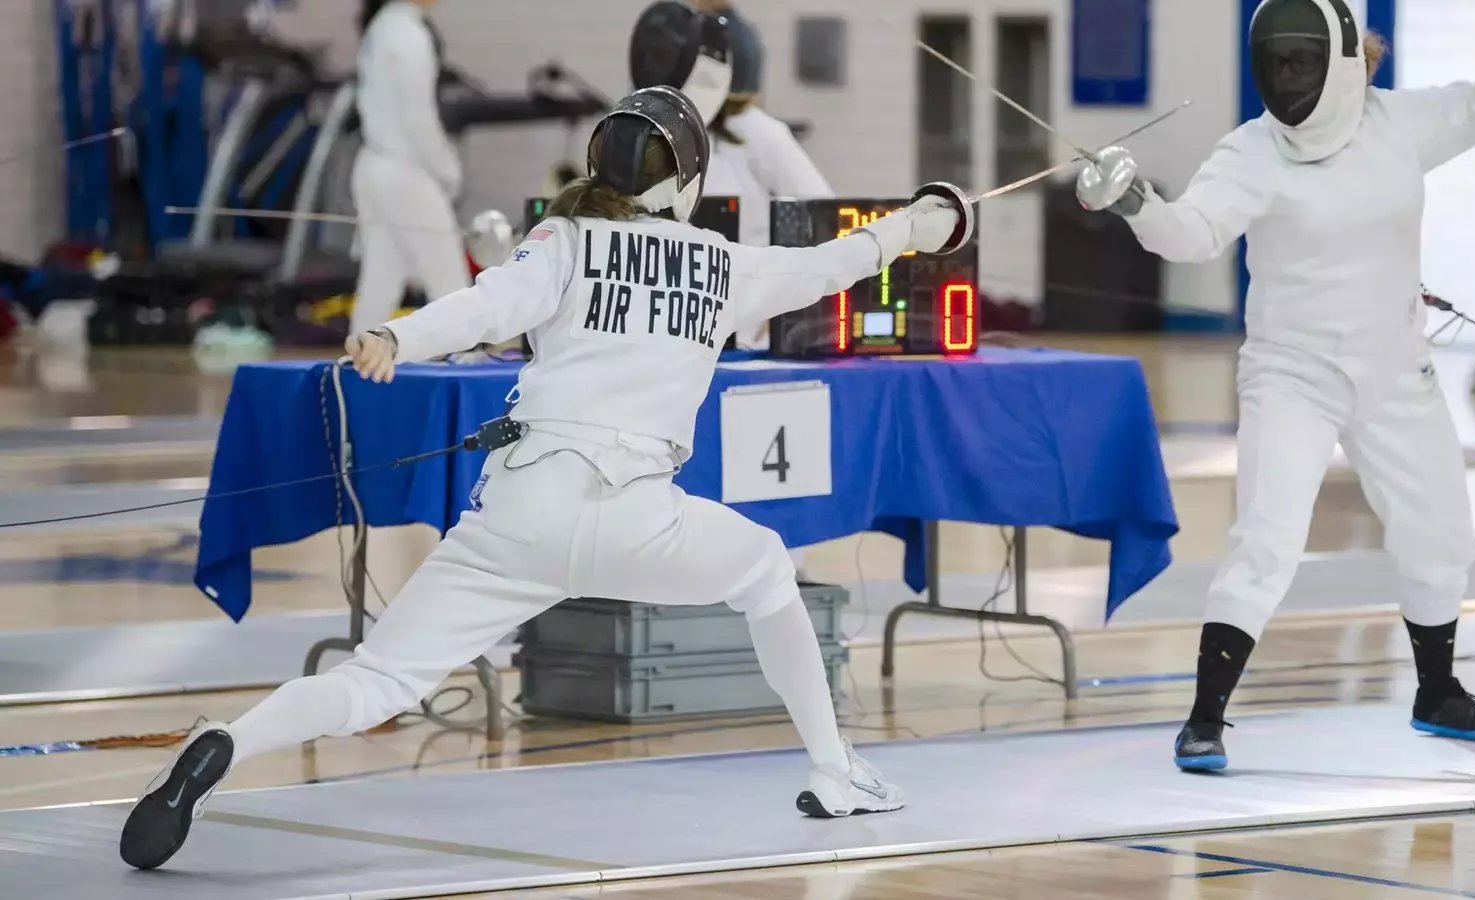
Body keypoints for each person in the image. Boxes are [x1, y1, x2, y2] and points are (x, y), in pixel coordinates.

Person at [119, 85, 964, 871]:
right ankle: (833, 771)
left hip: (519, 516)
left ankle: (226, 742)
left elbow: (488, 305)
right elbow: (828, 264)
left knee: (375, 679)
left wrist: (396, 337)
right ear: (685, 182)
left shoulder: (563, 240)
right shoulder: (718, 261)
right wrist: (915, 227)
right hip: (641, 523)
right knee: (767, 567)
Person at [1076, 2, 1475, 772]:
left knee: (1442, 533)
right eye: (1274, 64)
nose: (1286, 79)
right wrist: (1133, 202)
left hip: (1392, 365)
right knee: (1267, 537)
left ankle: (1438, 693)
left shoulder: (1397, 123)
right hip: (1293, 372)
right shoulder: (1252, 152)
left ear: (1345, 62)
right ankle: (1204, 720)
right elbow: (1193, 234)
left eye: (1301, 62)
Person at [631, 1, 835, 351]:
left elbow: (826, 218)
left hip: (747, 339)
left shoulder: (754, 132)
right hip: (666, 335)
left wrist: (784, 307)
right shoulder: (638, 134)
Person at [348, 0, 472, 335]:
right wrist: (447, 170)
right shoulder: (407, 34)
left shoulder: (385, 24)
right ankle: (461, 369)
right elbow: (417, 118)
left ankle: (356, 368)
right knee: (450, 281)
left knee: (380, 282)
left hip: (375, 164)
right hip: (404, 171)